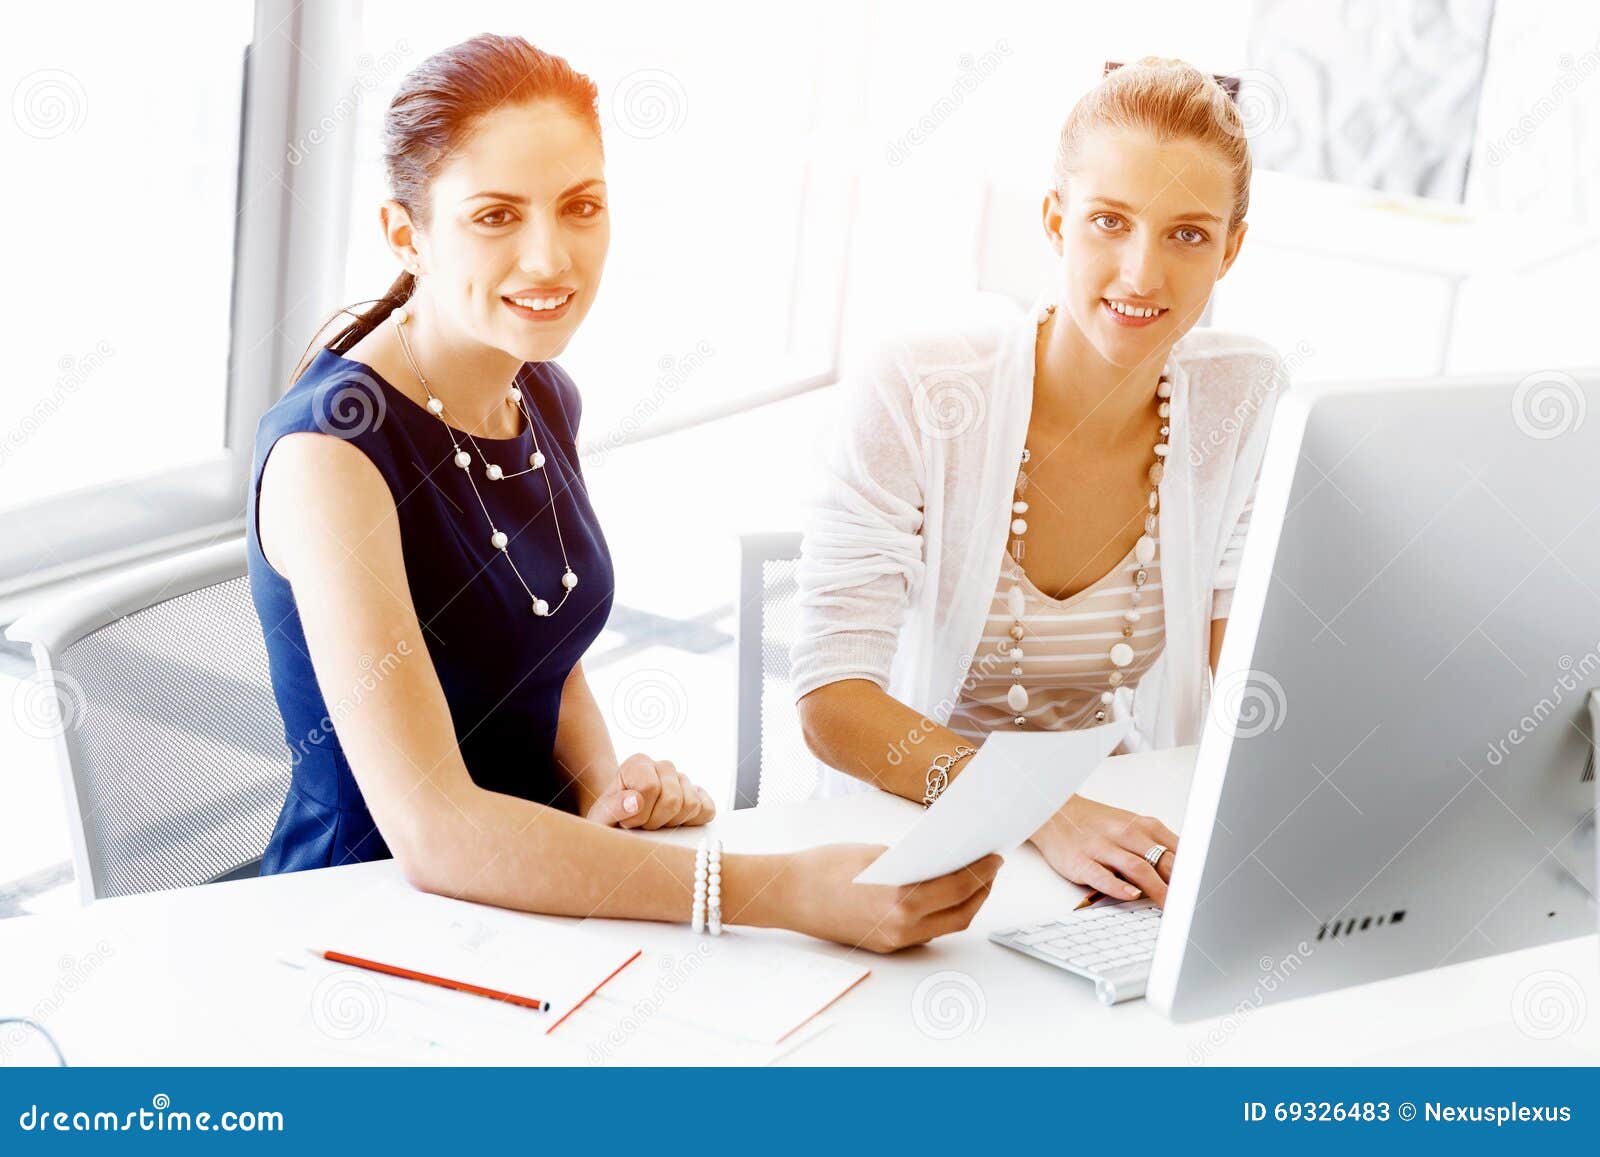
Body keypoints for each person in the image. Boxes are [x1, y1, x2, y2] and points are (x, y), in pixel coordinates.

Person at [247, 33, 999, 951]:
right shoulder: (332, 453)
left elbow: (542, 655)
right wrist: (776, 889)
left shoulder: (538, 391)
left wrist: (608, 787)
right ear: (407, 235)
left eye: (580, 207)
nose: (549, 258)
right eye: (495, 216)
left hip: (538, 890)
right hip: (363, 928)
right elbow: (435, 831)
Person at [792, 57, 1290, 909]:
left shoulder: (1241, 395)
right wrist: (1039, 812)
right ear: (1056, 221)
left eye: (1188, 234)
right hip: (922, 854)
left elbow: (1249, 677)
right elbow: (831, 702)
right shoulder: (921, 387)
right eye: (1109, 222)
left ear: (1230, 250)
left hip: (1122, 849)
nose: (1142, 274)